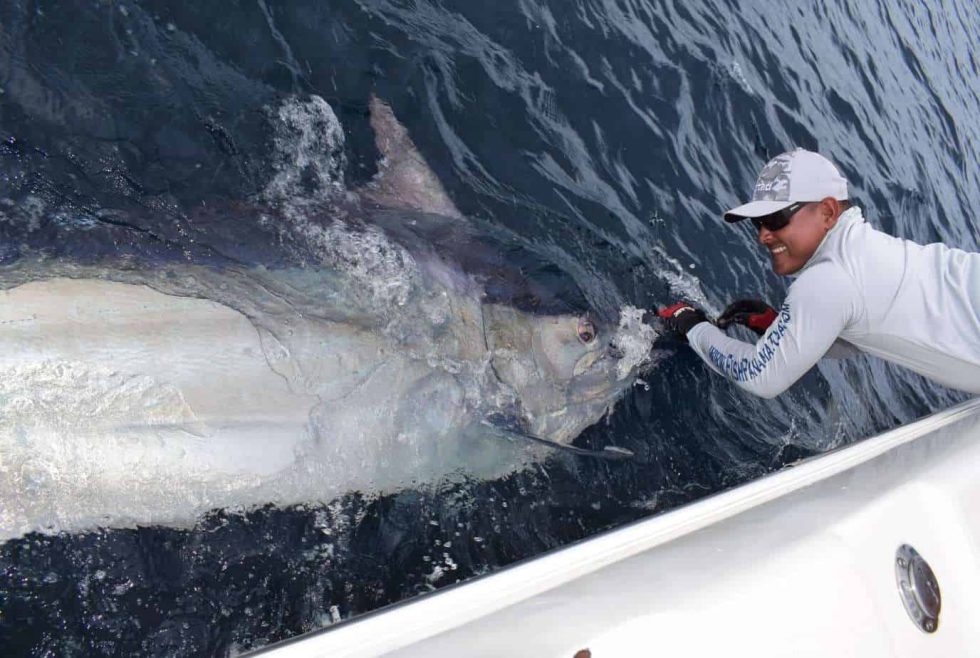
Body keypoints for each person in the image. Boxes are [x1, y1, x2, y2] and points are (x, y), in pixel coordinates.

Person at [658, 147, 980, 397]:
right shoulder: (865, 252)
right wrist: (777, 326)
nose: (762, 235)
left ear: (827, 211)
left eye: (776, 219)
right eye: (758, 222)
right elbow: (855, 331)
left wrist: (693, 326)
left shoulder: (828, 278)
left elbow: (759, 375)